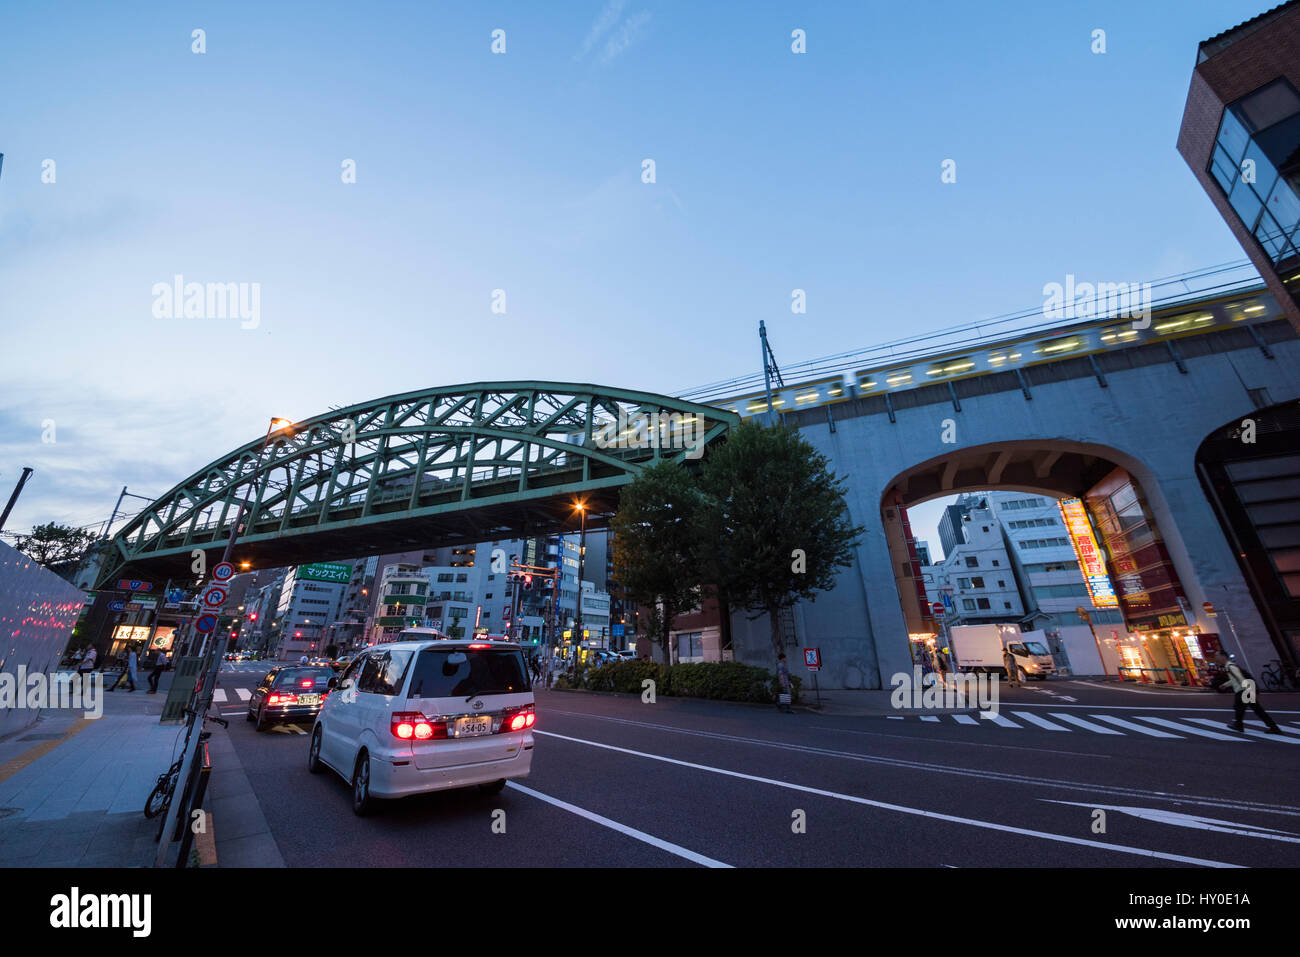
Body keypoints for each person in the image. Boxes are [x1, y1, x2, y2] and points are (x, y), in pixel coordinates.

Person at [1214, 651, 1283, 734]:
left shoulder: (1230, 666)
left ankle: (1238, 725)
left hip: (1243, 689)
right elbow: (1235, 679)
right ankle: (1274, 727)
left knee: (1240, 707)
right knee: (1256, 709)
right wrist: (1225, 685)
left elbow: (1240, 678)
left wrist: (1247, 690)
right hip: (1247, 688)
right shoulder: (1230, 665)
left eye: (1217, 655)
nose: (1216, 657)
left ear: (1223, 656)